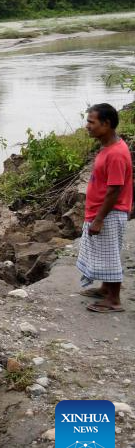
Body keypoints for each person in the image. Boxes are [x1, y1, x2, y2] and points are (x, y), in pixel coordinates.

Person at [79, 103, 133, 313]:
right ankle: (105, 289)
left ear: (107, 123)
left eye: (91, 122)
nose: (87, 126)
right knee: (104, 253)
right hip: (101, 211)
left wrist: (99, 219)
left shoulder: (117, 153)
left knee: (110, 256)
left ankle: (114, 300)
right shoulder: (108, 146)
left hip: (110, 212)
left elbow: (115, 190)